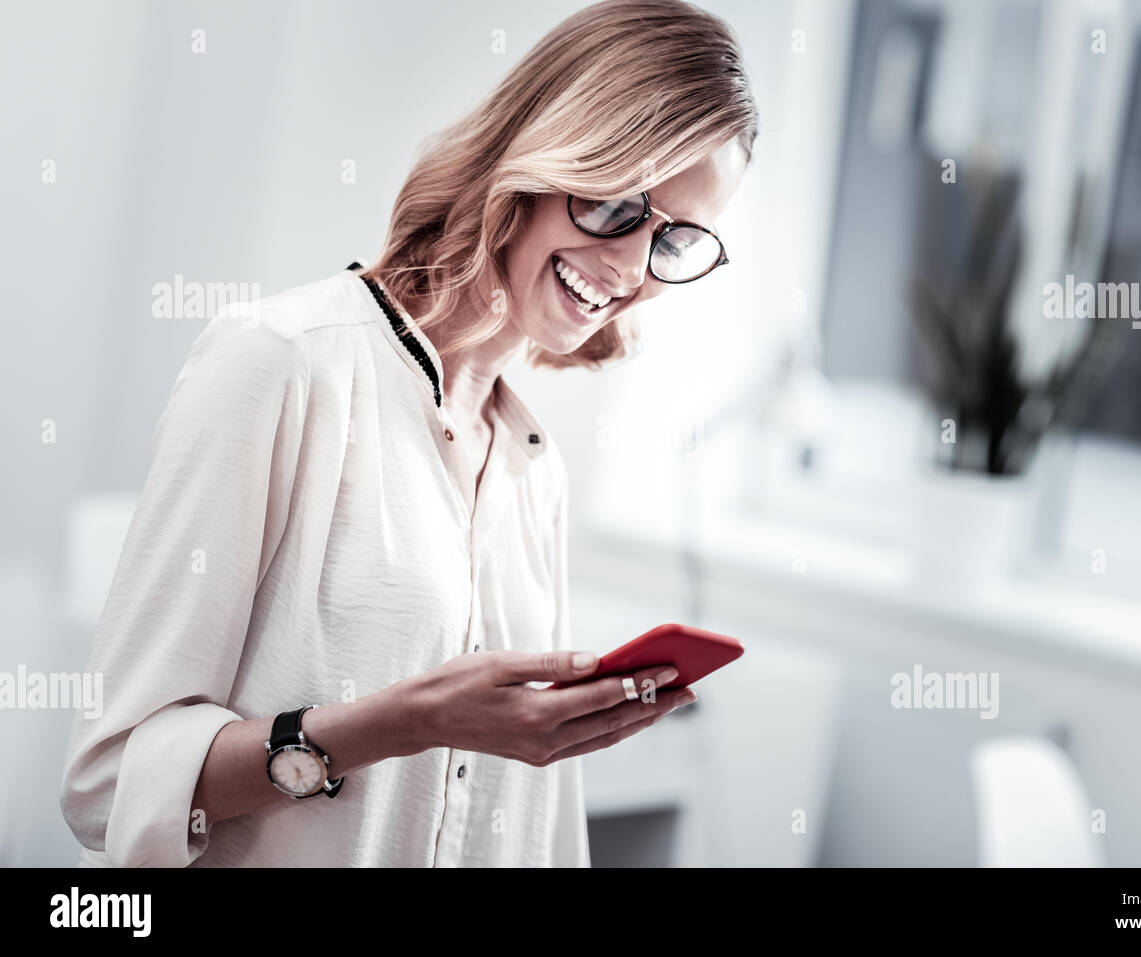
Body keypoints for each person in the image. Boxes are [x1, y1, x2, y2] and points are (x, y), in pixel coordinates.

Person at [59, 0, 758, 867]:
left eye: (676, 239)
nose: (630, 268)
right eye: (618, 203)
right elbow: (111, 781)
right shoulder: (277, 363)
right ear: (542, 156)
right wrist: (400, 723)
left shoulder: (534, 468)